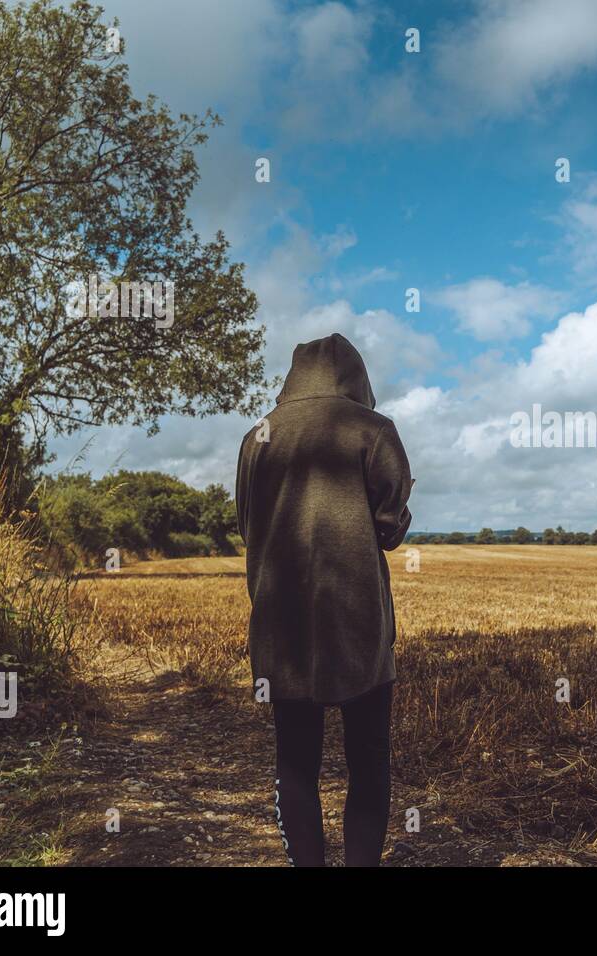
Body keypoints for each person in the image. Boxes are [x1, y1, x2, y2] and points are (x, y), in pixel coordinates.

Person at [235, 333, 413, 866]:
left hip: (279, 620)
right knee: (368, 760)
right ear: (358, 379)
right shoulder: (374, 430)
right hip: (356, 618)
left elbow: (248, 527)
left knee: (295, 761)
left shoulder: (257, 436)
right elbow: (389, 528)